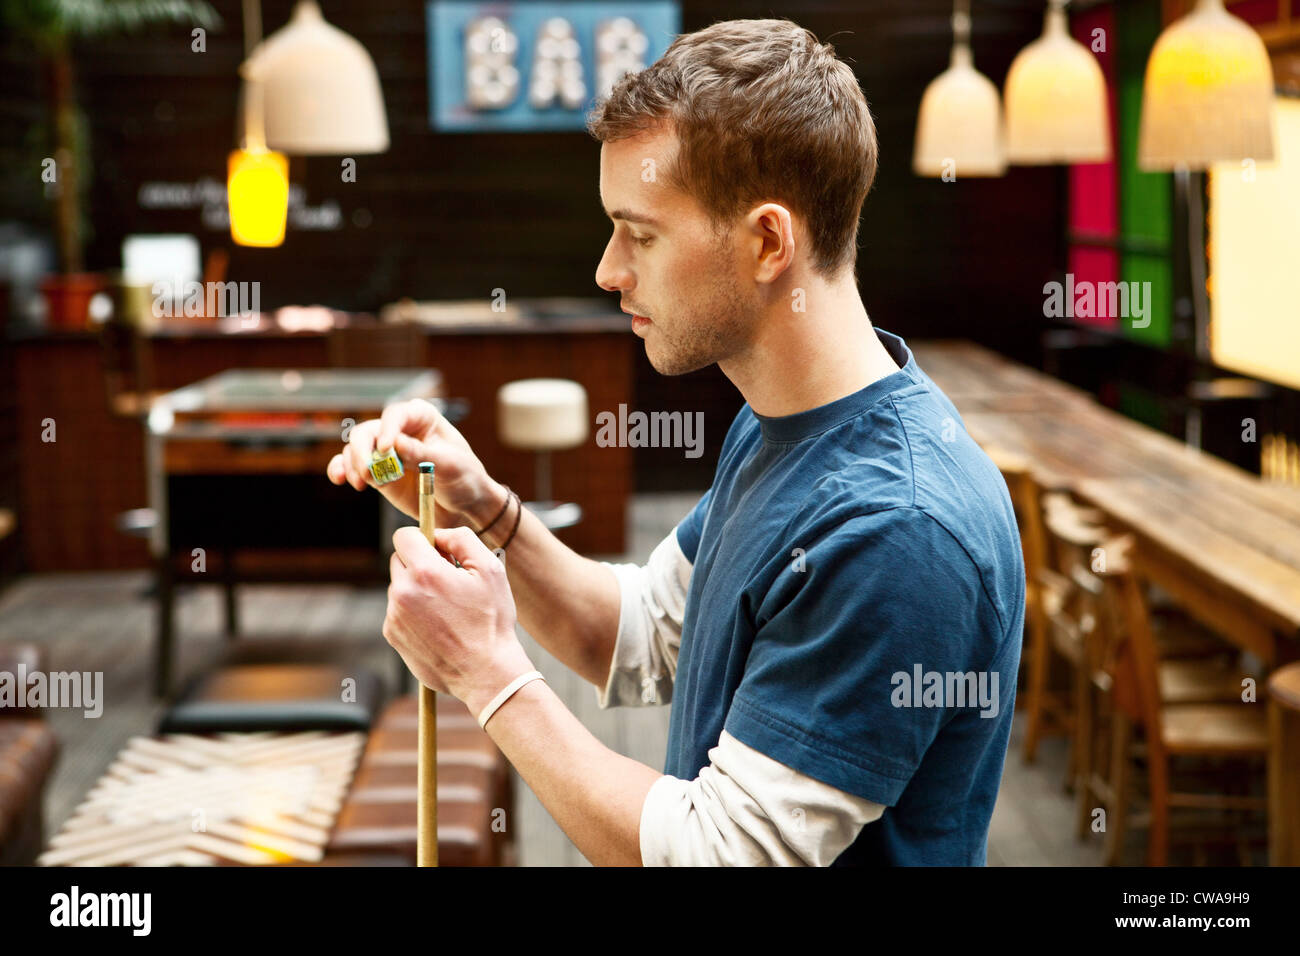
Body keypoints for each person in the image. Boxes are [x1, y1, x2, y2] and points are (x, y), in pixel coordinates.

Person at [327, 18, 1024, 865]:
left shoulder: (896, 527)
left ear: (768, 242)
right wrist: (484, 508)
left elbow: (718, 854)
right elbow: (642, 636)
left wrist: (485, 671)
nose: (608, 269)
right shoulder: (777, 428)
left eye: (641, 233)